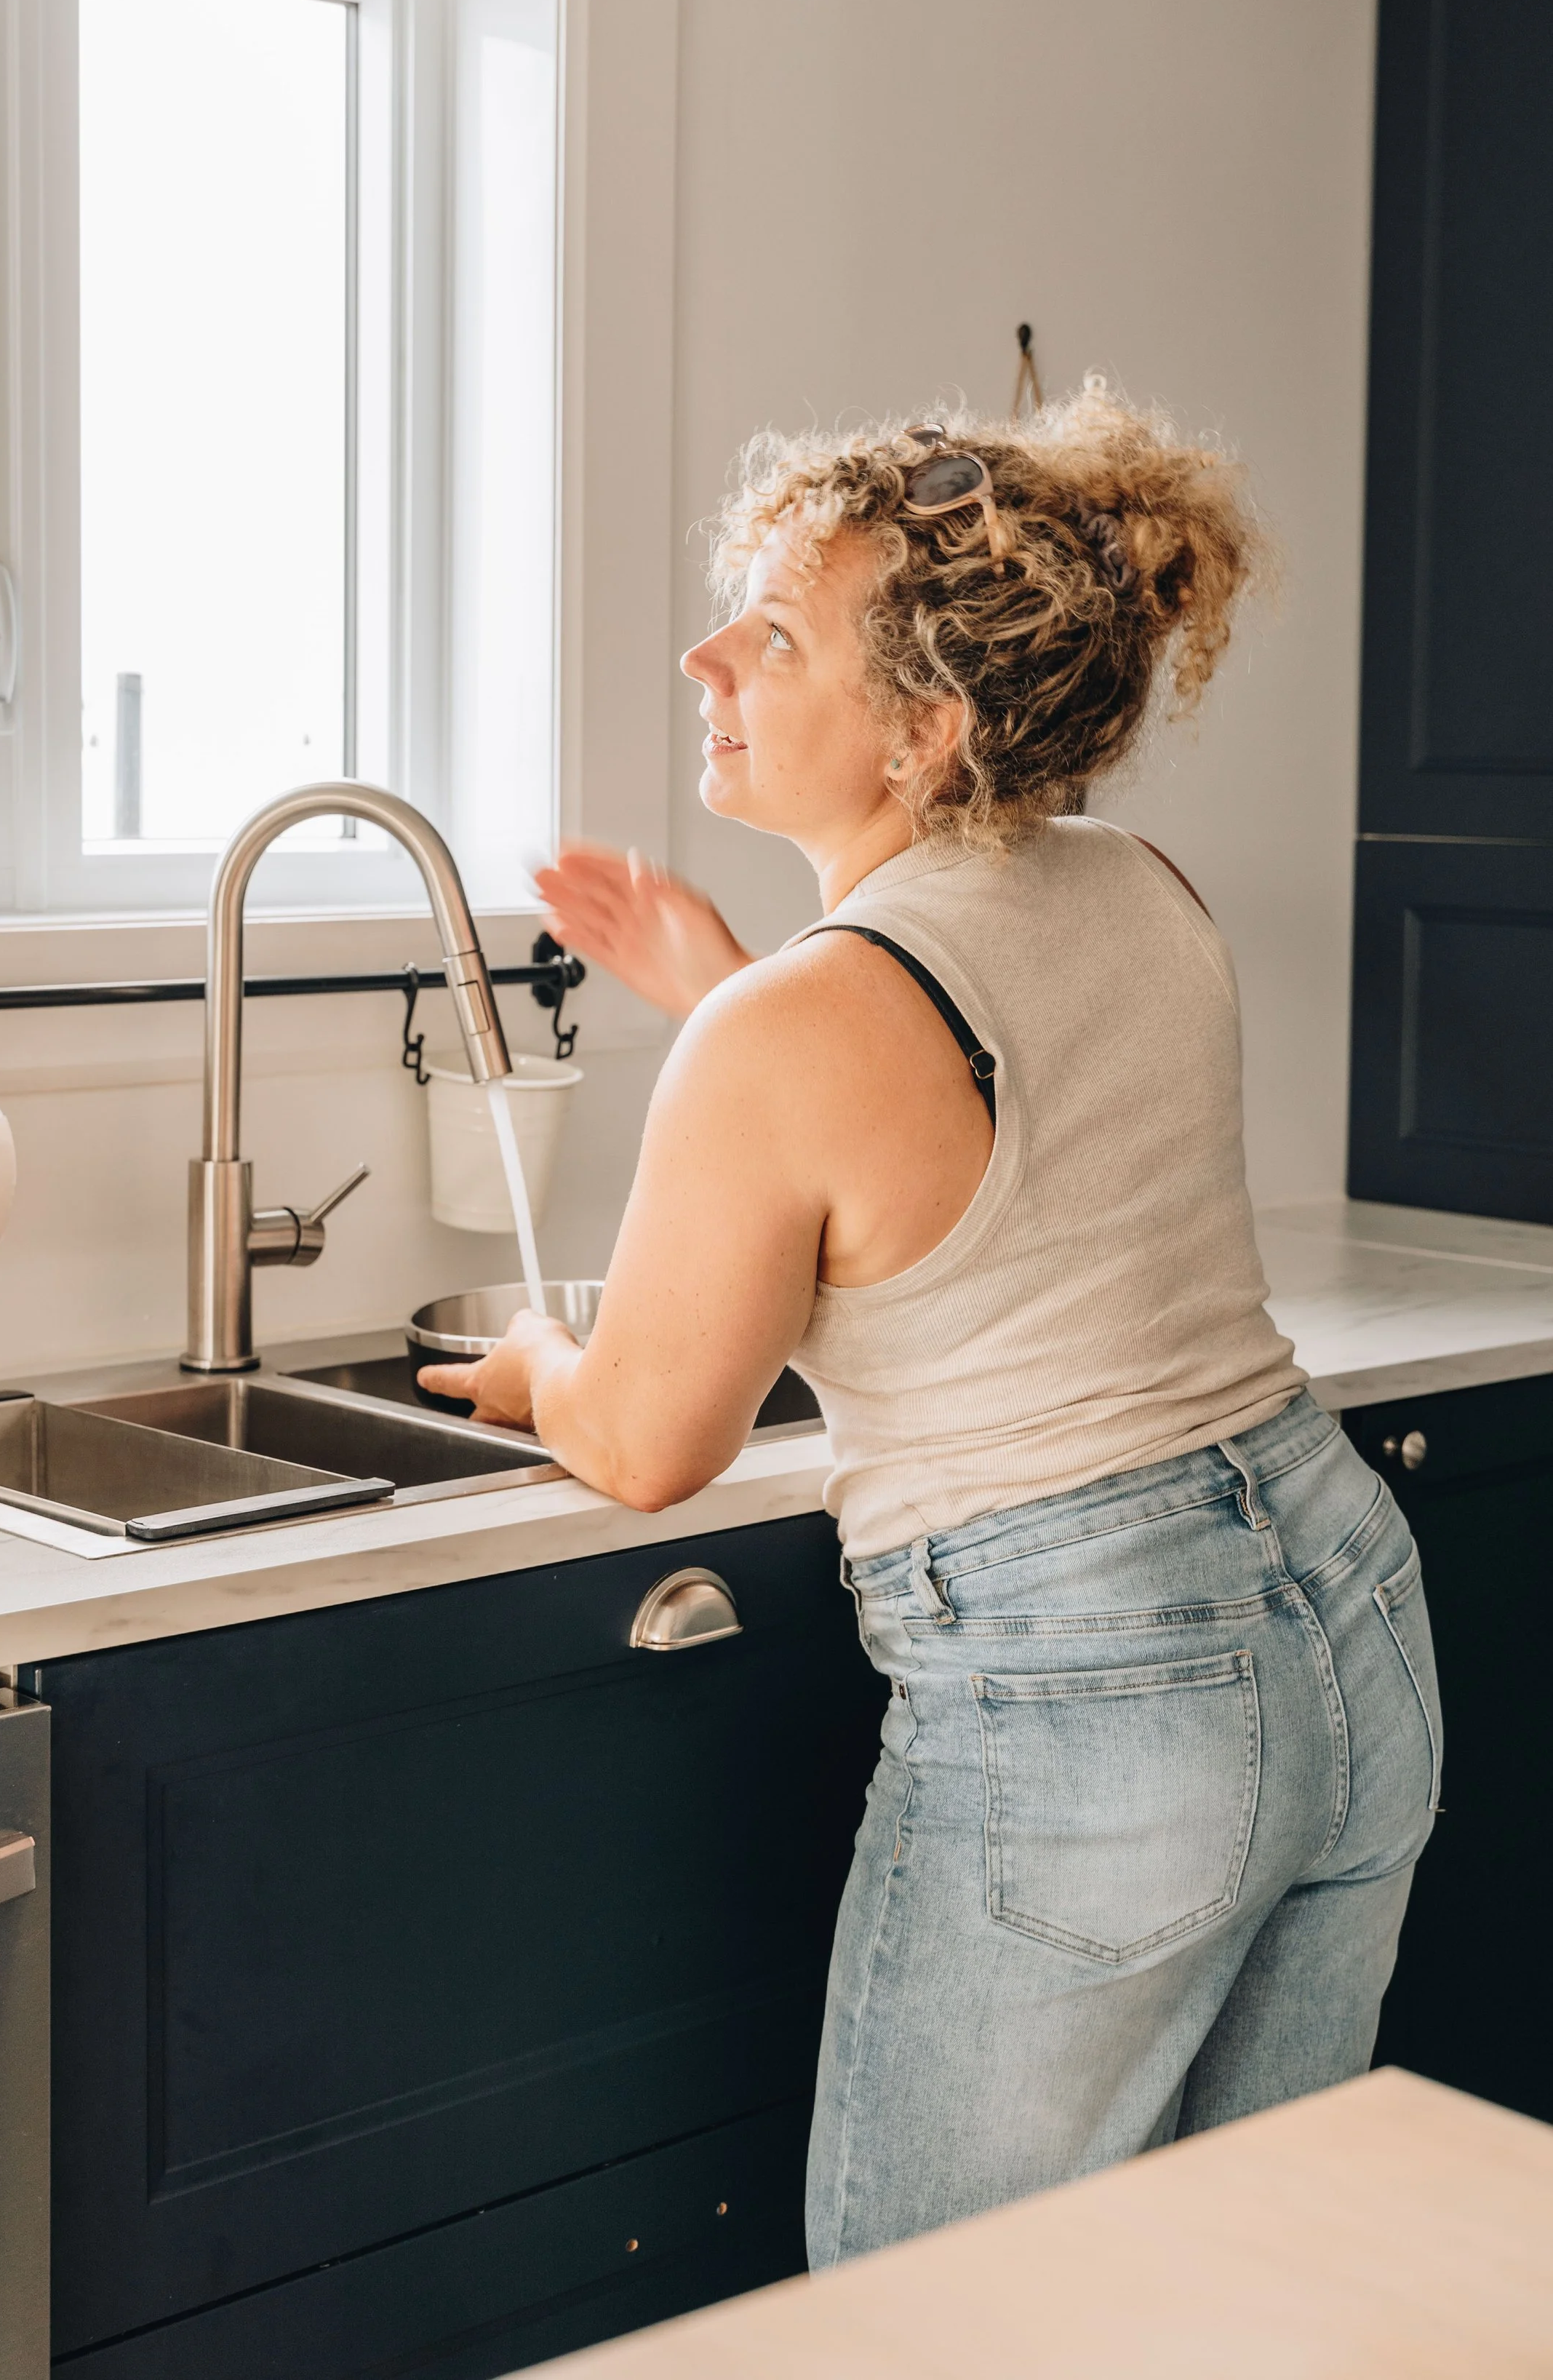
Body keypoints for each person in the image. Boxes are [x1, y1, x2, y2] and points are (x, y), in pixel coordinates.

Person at [419, 386, 1442, 2266]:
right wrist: (721, 982)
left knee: (929, 2318)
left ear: (924, 729)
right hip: (1343, 1616)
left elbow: (648, 1439)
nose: (704, 652)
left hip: (1096, 1700)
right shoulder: (1140, 891)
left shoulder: (797, 1030)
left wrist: (535, 1363)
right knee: (1238, 2294)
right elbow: (965, 1183)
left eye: (777, 632)